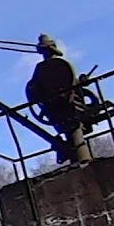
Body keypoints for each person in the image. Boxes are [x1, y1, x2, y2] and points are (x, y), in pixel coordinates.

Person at [25, 34, 87, 164]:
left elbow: (33, 88)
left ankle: (78, 153)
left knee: (72, 128)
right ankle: (78, 153)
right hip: (61, 106)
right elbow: (34, 87)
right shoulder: (55, 66)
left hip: (58, 108)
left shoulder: (46, 68)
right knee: (71, 129)